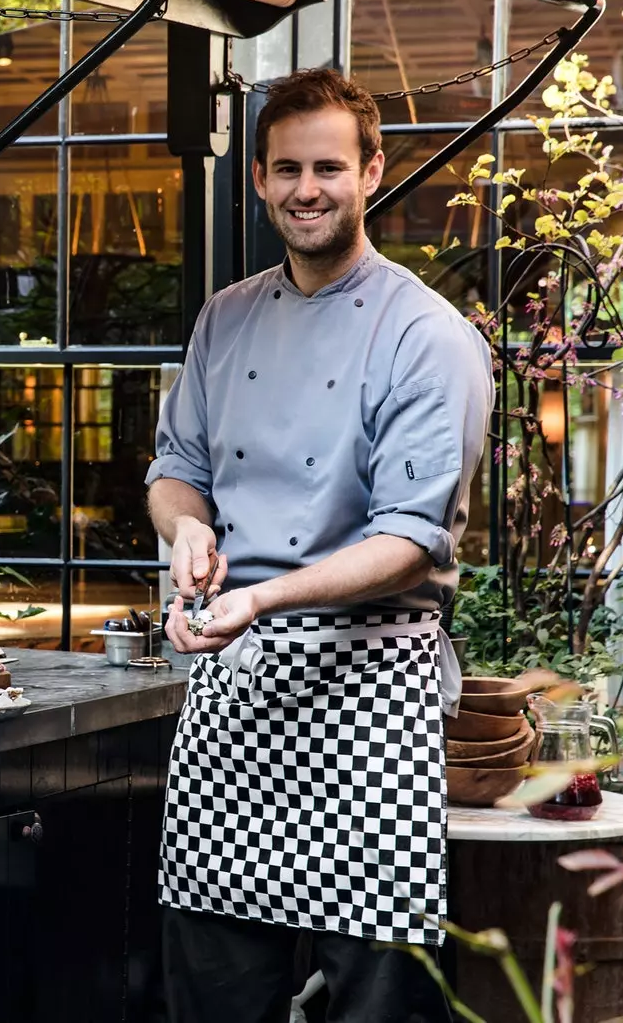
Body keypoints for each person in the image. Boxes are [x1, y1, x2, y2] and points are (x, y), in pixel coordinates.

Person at [146, 66, 492, 1022]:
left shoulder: (428, 334)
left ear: (372, 170)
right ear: (257, 178)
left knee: (380, 999)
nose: (308, 189)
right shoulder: (224, 318)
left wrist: (257, 598)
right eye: (288, 168)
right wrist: (191, 531)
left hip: (370, 695)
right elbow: (176, 469)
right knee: (212, 986)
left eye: (329, 167)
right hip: (236, 698)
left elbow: (412, 539)